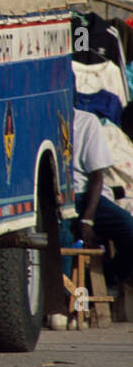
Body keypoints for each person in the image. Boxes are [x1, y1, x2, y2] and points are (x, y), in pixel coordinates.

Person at [71, 108, 133, 292]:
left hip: (86, 195)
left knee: (128, 228)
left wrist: (87, 219)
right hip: (58, 199)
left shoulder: (85, 121)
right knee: (64, 242)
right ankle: (67, 302)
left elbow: (97, 176)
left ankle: (114, 273)